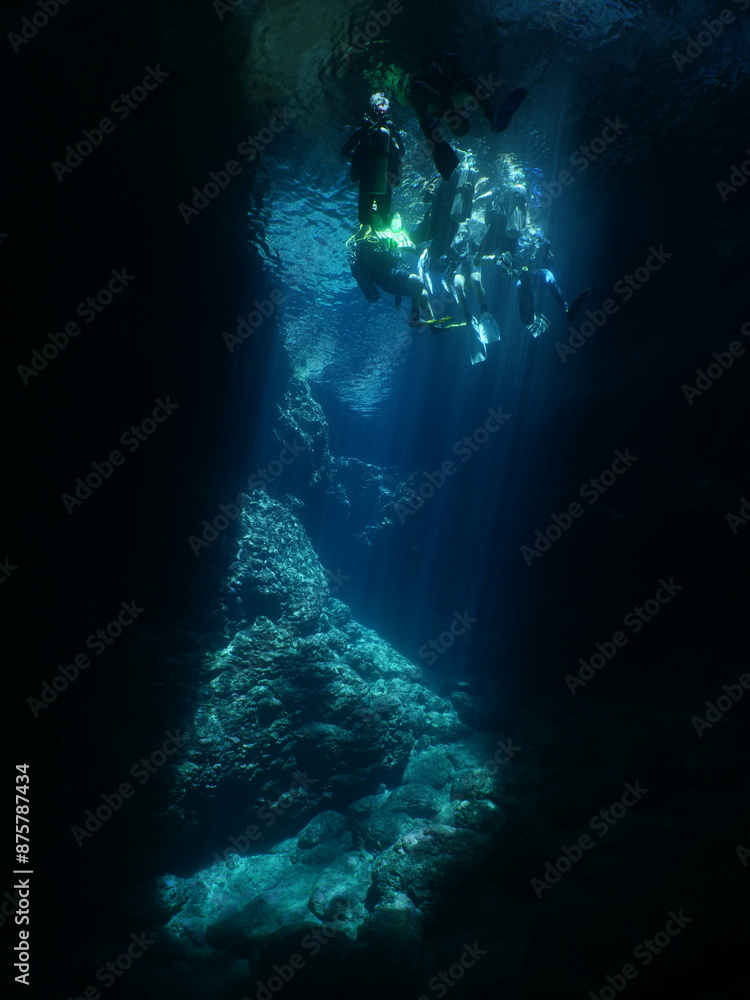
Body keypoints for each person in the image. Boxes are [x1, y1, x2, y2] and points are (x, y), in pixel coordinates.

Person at [476, 183, 589, 337]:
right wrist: (496, 259)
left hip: (530, 273)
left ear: (526, 204)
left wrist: (546, 251)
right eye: (515, 201)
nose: (518, 207)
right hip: (520, 276)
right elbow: (478, 260)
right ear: (509, 202)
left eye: (521, 202)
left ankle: (566, 309)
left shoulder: (531, 225)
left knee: (548, 276)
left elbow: (545, 257)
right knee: (528, 306)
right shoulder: (498, 226)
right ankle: (533, 320)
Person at [408, 50, 527, 180]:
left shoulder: (438, 106)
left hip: (435, 98)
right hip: (444, 90)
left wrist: (426, 70)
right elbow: (457, 67)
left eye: (454, 122)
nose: (455, 116)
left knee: (429, 96)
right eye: (459, 118)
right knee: (461, 89)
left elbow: (415, 88)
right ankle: (491, 112)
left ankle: (490, 112)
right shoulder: (455, 96)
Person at [346, 215, 441, 328]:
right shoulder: (367, 238)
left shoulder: (385, 236)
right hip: (387, 279)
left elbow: (395, 262)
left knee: (423, 294)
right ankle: (415, 318)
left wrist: (398, 295)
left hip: (390, 280)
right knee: (418, 281)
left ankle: (435, 326)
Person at [340, 93, 406, 226]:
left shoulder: (379, 134)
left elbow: (345, 151)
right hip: (379, 178)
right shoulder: (366, 131)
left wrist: (359, 158)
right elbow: (402, 153)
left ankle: (387, 223)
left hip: (371, 178)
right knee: (372, 217)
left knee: (370, 217)